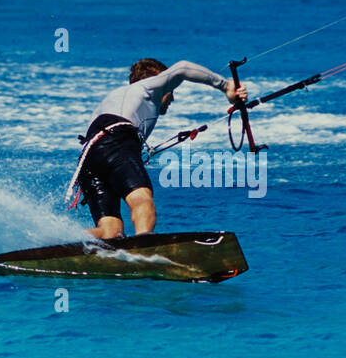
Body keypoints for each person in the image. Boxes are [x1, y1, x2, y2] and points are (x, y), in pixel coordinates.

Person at [71, 58, 247, 239]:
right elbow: (183, 67)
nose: (172, 97)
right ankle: (145, 242)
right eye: (170, 90)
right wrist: (226, 85)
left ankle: (57, 238)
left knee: (110, 232)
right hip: (116, 140)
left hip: (88, 156)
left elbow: (101, 141)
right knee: (141, 198)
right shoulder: (147, 87)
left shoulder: (114, 99)